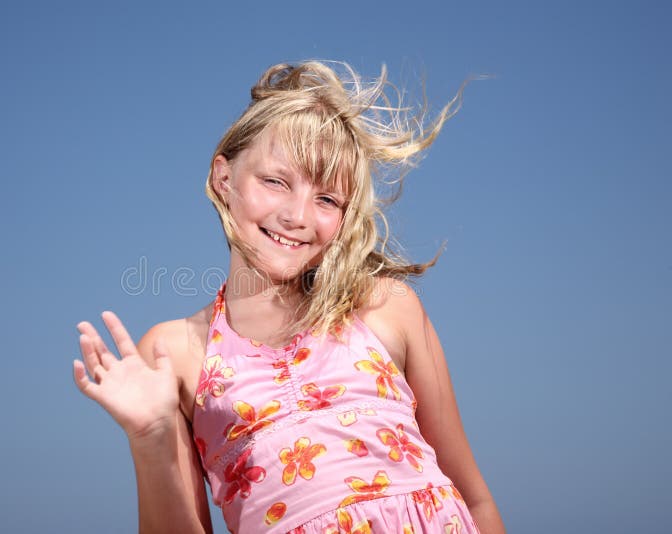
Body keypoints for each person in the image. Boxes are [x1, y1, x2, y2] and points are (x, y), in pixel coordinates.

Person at [73, 61, 506, 534]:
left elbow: (476, 502)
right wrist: (150, 441)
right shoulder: (176, 353)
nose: (298, 215)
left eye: (327, 200)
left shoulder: (385, 308)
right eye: (275, 181)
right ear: (224, 178)